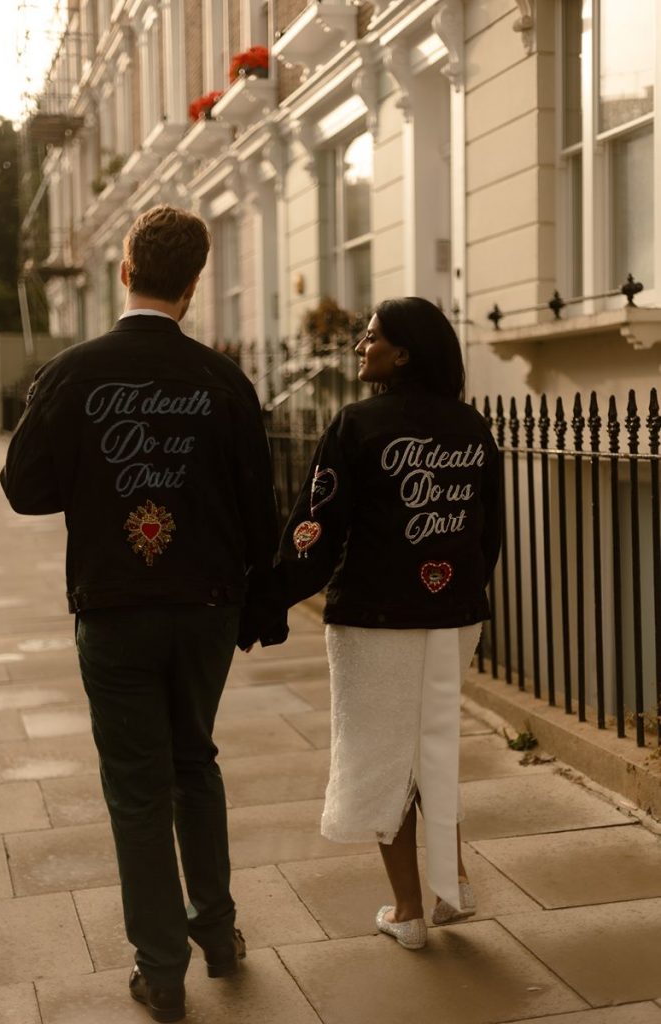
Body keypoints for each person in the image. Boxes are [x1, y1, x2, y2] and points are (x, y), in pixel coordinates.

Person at [0, 204, 286, 1022]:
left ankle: (161, 970)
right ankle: (219, 934)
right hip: (205, 605)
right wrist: (259, 597)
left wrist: (89, 480)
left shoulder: (74, 372)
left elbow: (24, 489)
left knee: (136, 788)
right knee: (194, 761)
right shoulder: (224, 381)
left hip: (116, 602)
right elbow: (256, 508)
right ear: (193, 284)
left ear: (125, 270)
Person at [272, 297, 501, 949]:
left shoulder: (357, 425)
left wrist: (270, 596)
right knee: (432, 745)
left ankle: (408, 911)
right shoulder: (472, 428)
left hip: (375, 618)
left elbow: (316, 528)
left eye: (369, 338)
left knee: (382, 757)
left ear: (402, 352)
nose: (358, 348)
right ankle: (453, 885)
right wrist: (460, 595)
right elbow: (488, 536)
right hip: (454, 615)